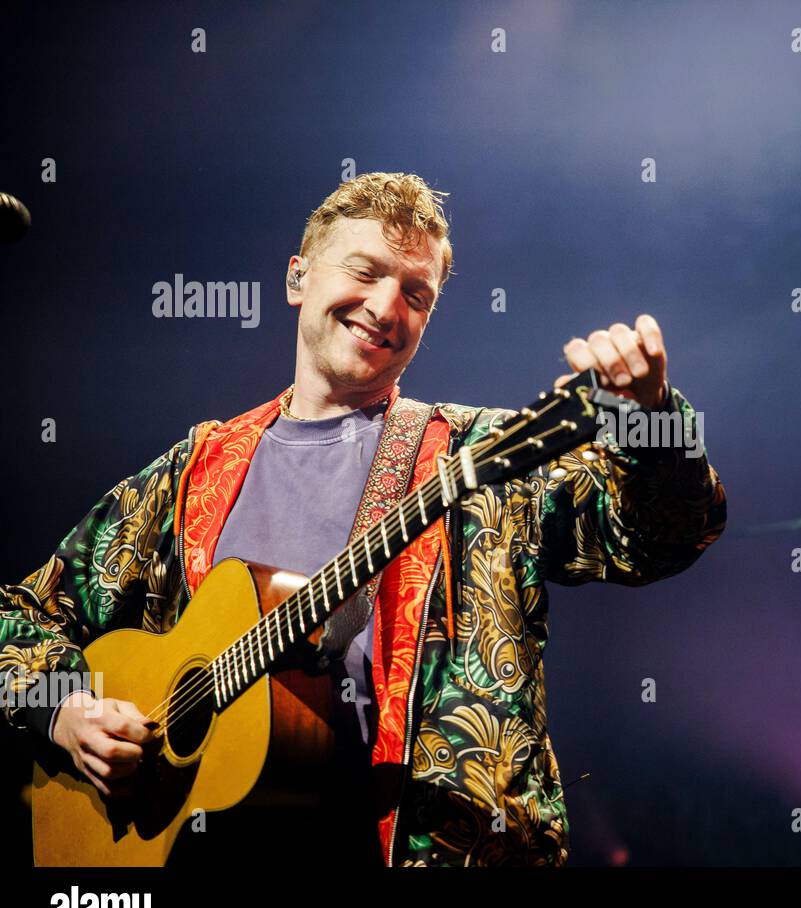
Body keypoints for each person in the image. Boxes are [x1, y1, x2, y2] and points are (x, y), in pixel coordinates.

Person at [0, 171, 727, 866]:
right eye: (366, 272)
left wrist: (651, 424)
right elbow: (18, 617)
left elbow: (662, 535)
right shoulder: (194, 470)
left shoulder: (480, 456)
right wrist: (66, 712)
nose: (387, 307)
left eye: (417, 293)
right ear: (296, 278)